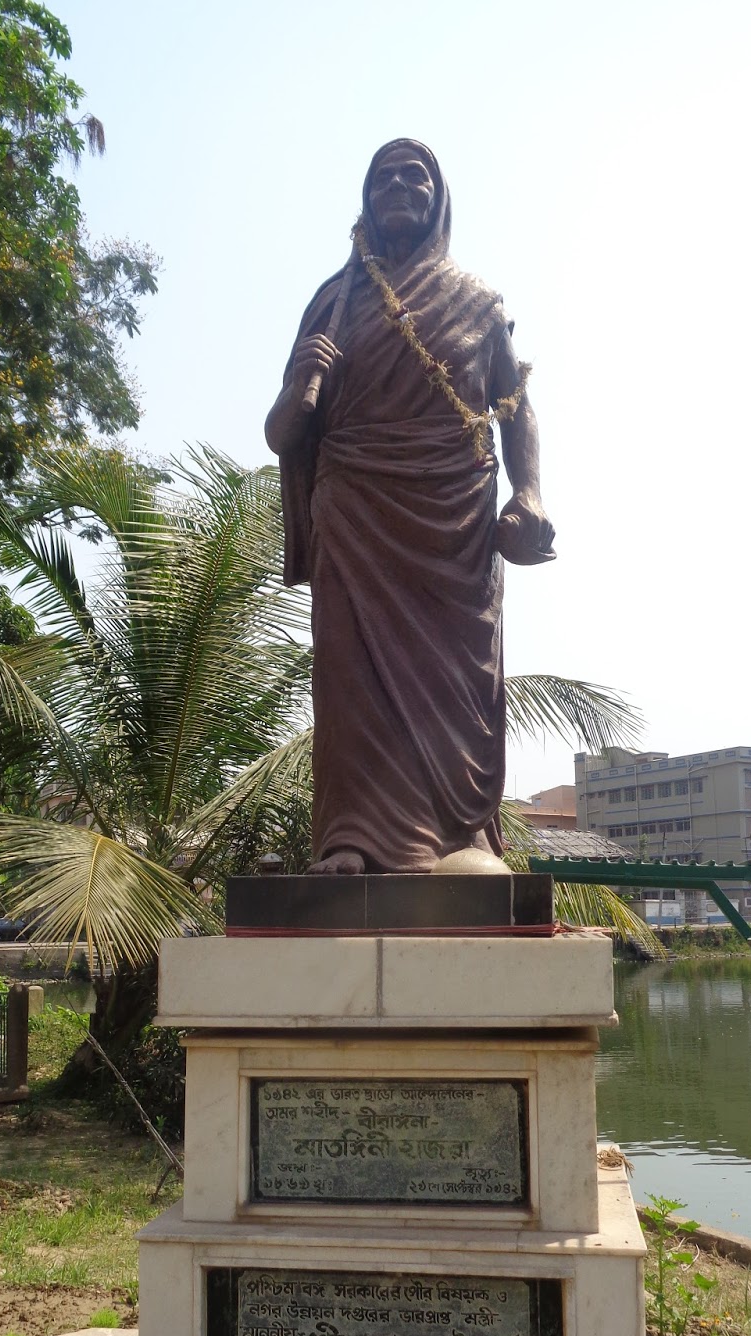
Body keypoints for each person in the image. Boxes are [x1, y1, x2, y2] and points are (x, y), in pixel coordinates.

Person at [265, 139, 555, 875]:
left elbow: (515, 405)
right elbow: (282, 432)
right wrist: (299, 386)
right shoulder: (332, 302)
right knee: (350, 678)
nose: (398, 185)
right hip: (354, 510)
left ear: (439, 198)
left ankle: (461, 835)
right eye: (384, 176)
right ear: (365, 199)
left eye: (414, 175)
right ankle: (352, 839)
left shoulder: (477, 301)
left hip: (453, 522)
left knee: (458, 680)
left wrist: (528, 491)